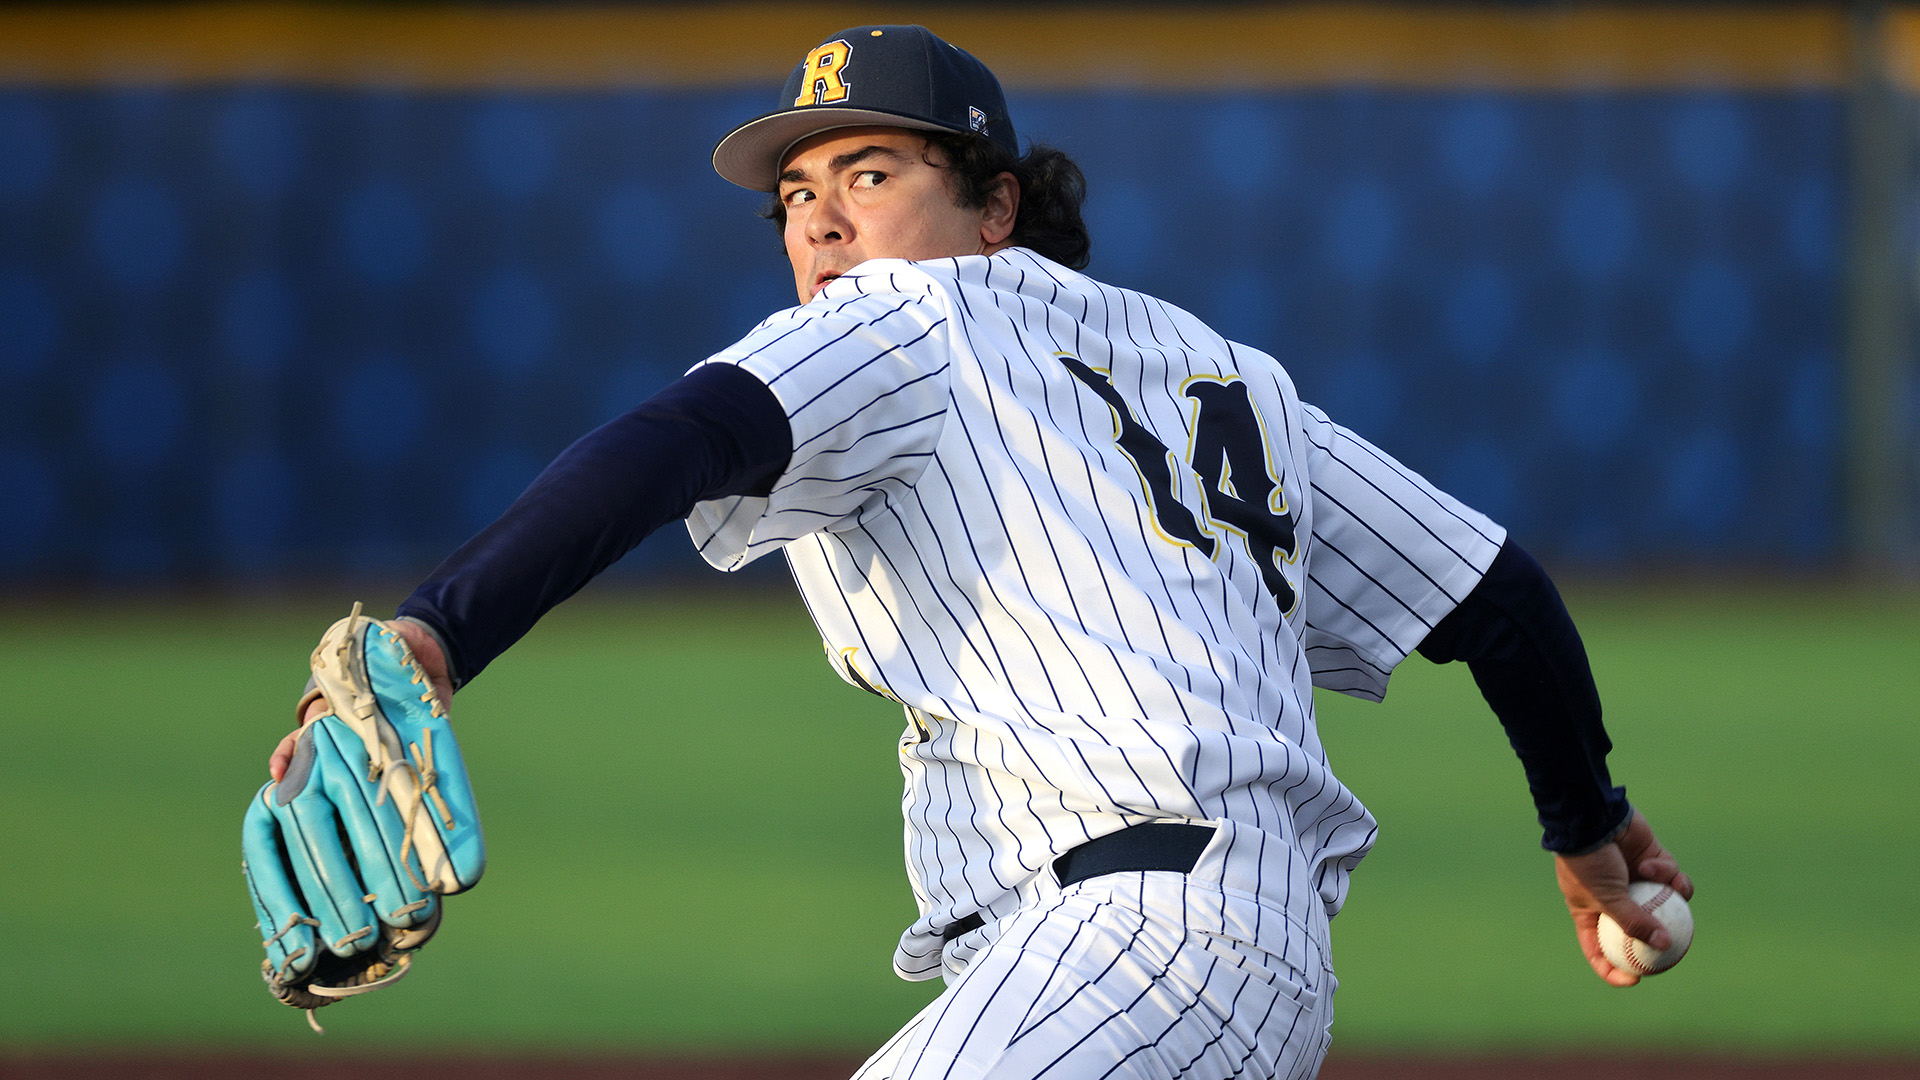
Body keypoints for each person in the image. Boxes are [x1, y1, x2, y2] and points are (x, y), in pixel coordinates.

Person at [266, 24, 1692, 1078]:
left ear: (993, 207)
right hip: (1227, 969)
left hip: (1132, 950)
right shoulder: (1226, 373)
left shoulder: (908, 319)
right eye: (795, 199)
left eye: (869, 171)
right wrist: (1585, 828)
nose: (821, 218)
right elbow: (1497, 600)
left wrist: (436, 632)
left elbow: (676, 440)